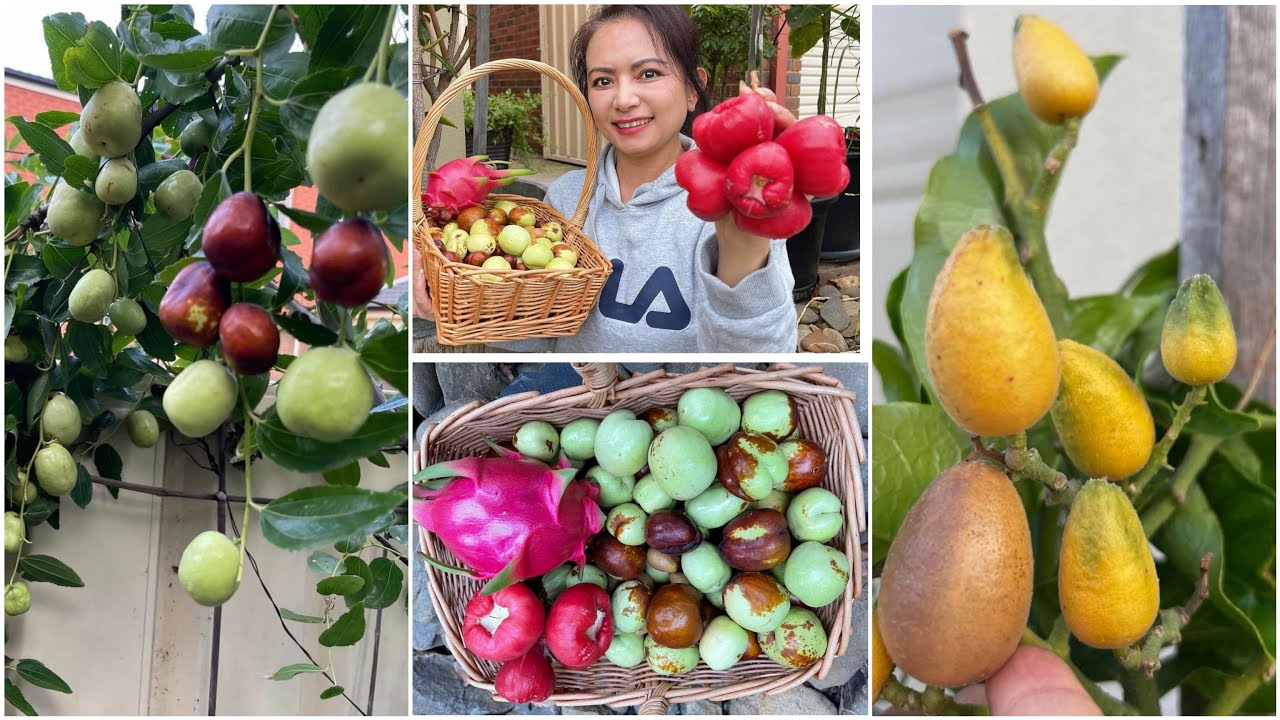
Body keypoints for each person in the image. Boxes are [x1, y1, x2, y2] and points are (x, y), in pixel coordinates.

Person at [417, 5, 800, 353]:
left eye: (648, 73)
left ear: (691, 88)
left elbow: (758, 366)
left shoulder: (728, 206)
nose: (623, 99)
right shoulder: (566, 201)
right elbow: (539, 338)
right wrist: (463, 312)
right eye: (603, 81)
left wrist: (743, 244)